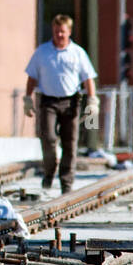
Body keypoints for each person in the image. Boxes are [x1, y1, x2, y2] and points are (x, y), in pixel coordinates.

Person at [23, 14, 99, 196]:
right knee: (48, 138)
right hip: (48, 101)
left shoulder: (78, 53)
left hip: (71, 102)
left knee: (70, 144)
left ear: (69, 32)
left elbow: (88, 78)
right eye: (56, 31)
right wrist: (27, 98)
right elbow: (32, 76)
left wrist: (92, 100)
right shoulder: (42, 52)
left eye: (62, 32)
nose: (59, 35)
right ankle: (49, 173)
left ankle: (66, 183)